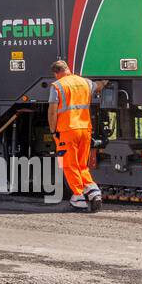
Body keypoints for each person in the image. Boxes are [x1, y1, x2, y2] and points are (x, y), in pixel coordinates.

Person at [47, 60, 104, 211]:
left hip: (67, 130)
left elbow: (52, 111)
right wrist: (105, 81)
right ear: (68, 69)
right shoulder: (85, 82)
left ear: (56, 73)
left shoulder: (57, 86)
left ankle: (78, 197)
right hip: (85, 129)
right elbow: (98, 86)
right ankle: (93, 191)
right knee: (82, 164)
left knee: (69, 164)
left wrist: (53, 131)